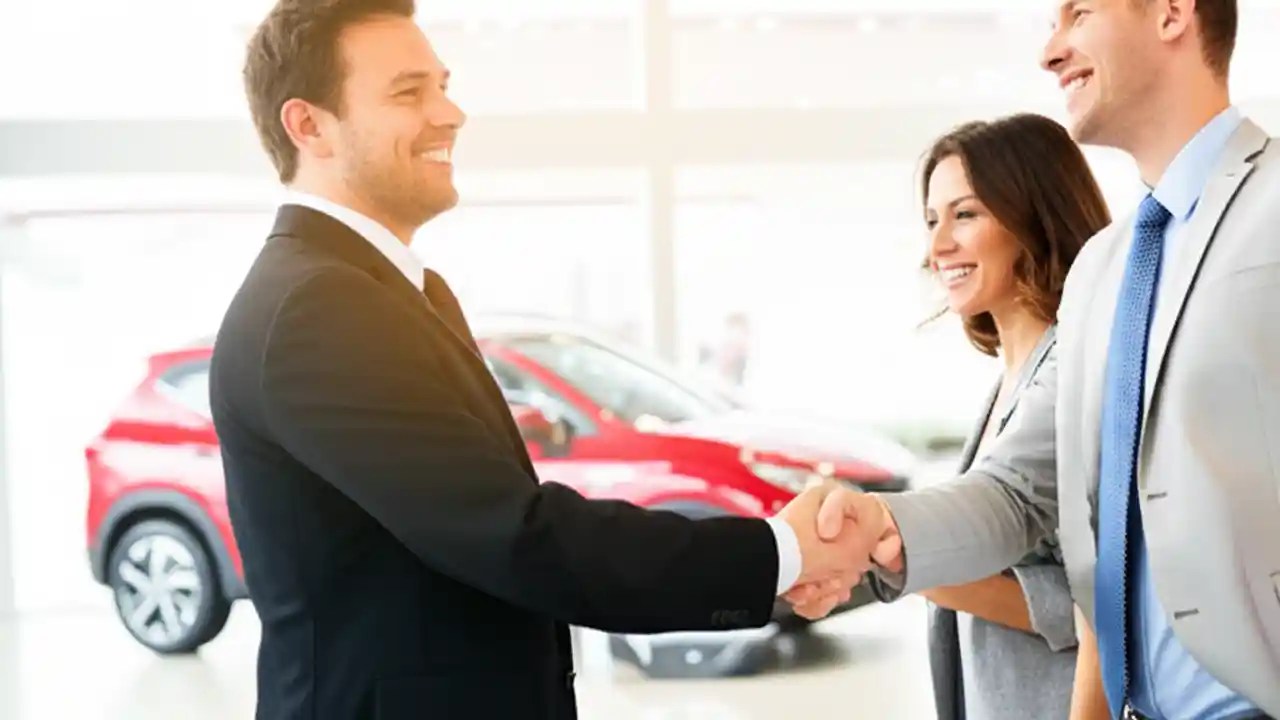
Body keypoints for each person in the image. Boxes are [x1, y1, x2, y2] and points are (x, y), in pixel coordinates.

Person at [210, 2, 873, 718]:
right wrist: (782, 553)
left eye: (443, 84)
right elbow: (516, 536)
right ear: (309, 126)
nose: (450, 113)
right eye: (409, 93)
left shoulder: (392, 289)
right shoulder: (320, 307)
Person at [789, 1, 1280, 717]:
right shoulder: (1101, 273)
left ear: (1174, 12)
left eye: (1078, 15)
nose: (1050, 52)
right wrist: (880, 526)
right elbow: (1028, 497)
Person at [914, 114, 1111, 720]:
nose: (938, 245)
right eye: (932, 220)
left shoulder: (1077, 371)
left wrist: (926, 567)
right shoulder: (1011, 380)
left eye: (965, 214)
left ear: (1034, 215)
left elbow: (1107, 598)